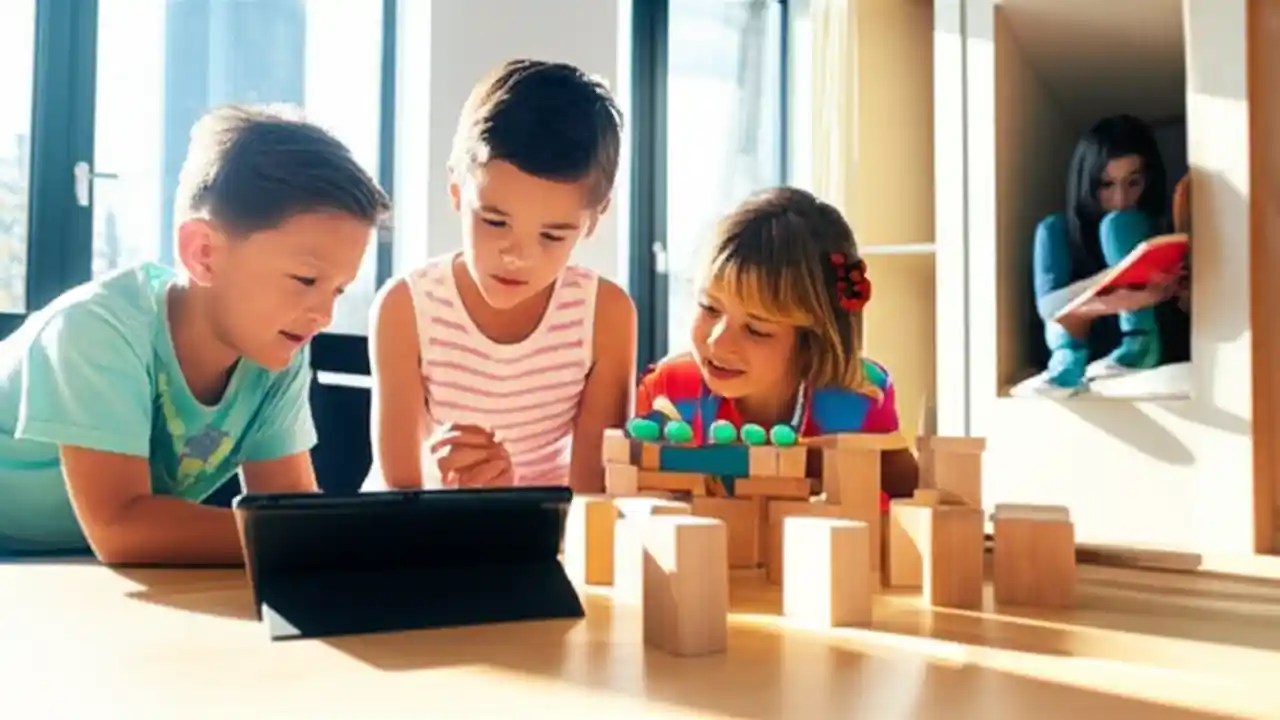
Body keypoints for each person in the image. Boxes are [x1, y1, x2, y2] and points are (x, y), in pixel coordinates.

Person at [0, 105, 391, 563]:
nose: (324, 314)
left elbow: (288, 511)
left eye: (339, 290)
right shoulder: (98, 328)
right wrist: (321, 537)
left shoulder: (274, 356)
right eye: (306, 280)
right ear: (203, 253)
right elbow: (120, 526)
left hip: (61, 568)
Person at [369, 59, 636, 493]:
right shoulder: (405, 308)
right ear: (456, 188)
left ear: (593, 218)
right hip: (419, 534)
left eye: (552, 235)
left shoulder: (605, 315)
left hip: (541, 534)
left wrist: (507, 500)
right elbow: (398, 492)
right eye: (494, 222)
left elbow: (593, 498)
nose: (518, 255)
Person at [635, 187, 918, 502]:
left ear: (811, 341)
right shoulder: (669, 392)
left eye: (756, 330)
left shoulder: (860, 398)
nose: (718, 342)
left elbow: (908, 505)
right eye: (710, 308)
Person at [1024, 114, 1189, 397]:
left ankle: (1140, 343)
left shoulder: (1154, 227)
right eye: (1106, 185)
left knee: (1119, 226)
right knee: (1054, 228)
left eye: (1133, 182)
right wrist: (1117, 294)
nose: (1120, 200)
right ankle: (1066, 365)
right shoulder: (1059, 234)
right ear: (1088, 184)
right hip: (1081, 347)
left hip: (1159, 344)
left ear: (1149, 182)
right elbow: (1050, 307)